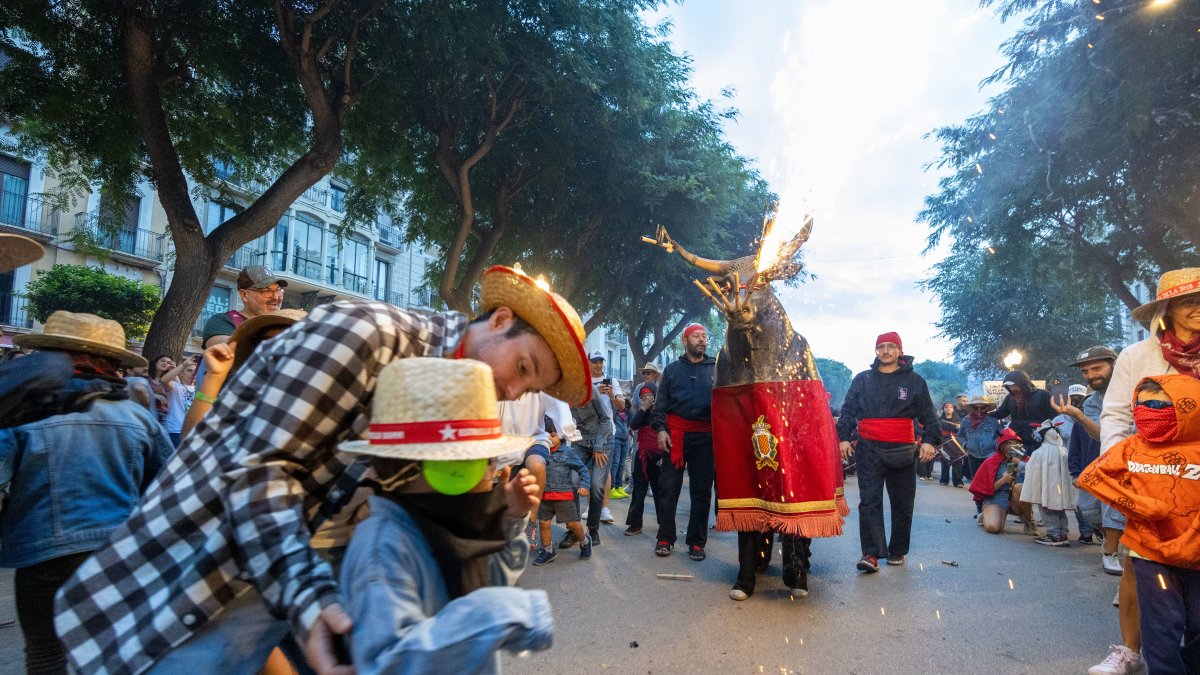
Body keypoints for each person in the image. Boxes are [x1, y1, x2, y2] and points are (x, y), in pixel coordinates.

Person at [54, 264, 591, 675]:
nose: (514, 391)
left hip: (280, 591)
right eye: (522, 367)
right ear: (499, 320)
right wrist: (310, 602)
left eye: (531, 387)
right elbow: (262, 472)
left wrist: (499, 514)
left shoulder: (461, 391)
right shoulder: (371, 335)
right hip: (187, 586)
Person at [335, 357, 553, 673]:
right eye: (485, 461)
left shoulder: (446, 523)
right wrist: (496, 614)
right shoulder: (384, 550)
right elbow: (387, 662)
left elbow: (492, 580)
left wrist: (509, 519)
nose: (495, 472)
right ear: (451, 470)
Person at [4, 312, 173, 673]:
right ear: (112, 365)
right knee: (113, 653)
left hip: (41, 554)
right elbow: (167, 485)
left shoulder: (22, 412)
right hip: (117, 551)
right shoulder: (138, 417)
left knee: (46, 656)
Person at [1089, 267, 1199, 675]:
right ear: (1166, 309)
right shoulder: (1138, 356)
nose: (1198, 309)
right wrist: (1120, 471)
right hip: (1148, 477)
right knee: (1142, 564)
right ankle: (1131, 651)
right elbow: (1116, 415)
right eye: (1188, 301)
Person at [1080, 375, 1200, 675]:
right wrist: (1136, 505)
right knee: (1161, 626)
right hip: (1149, 552)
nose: (1147, 412)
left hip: (1196, 551)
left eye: (1158, 405)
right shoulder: (1132, 446)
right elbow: (1091, 477)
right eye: (1140, 406)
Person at [838, 332, 939, 572]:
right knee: (869, 501)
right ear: (876, 351)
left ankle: (898, 549)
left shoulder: (915, 380)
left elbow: (929, 414)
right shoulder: (862, 379)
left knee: (902, 503)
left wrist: (930, 441)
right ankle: (871, 554)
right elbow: (848, 410)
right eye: (881, 346)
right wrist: (843, 438)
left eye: (891, 346)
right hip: (868, 450)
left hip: (902, 450)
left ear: (899, 351)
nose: (886, 351)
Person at [181, 309, 308, 436]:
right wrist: (213, 377)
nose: (273, 350)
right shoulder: (244, 391)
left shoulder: (312, 400)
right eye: (265, 342)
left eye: (288, 342)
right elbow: (192, 439)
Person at [651, 323, 716, 561]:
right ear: (685, 340)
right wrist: (660, 430)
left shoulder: (716, 369)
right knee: (668, 488)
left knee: (701, 492)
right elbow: (660, 406)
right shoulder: (672, 370)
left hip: (706, 436)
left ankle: (696, 542)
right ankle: (665, 538)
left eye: (704, 336)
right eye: (696, 336)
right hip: (675, 435)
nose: (701, 340)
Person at [1059, 345, 1119, 548]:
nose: (1091, 375)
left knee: (1117, 514)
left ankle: (1112, 553)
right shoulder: (1091, 402)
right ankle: (1111, 543)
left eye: (1097, 368)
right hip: (1095, 465)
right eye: (1085, 371)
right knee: (1089, 510)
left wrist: (1079, 417)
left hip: (1126, 467)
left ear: (1114, 365)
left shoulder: (1134, 393)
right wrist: (1079, 416)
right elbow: (1100, 435)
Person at [532, 416, 592, 566]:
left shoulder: (568, 452)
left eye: (552, 435)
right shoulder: (538, 453)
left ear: (561, 435)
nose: (549, 439)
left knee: (572, 524)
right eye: (545, 435)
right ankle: (548, 551)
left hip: (563, 496)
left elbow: (582, 469)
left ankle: (584, 541)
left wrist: (584, 485)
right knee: (543, 523)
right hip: (544, 496)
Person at [1018, 421, 1077, 546]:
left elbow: (1031, 470)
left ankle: (1054, 535)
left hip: (1047, 489)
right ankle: (1062, 534)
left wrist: (1020, 465)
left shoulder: (1040, 452)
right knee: (1060, 511)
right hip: (1061, 489)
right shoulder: (1064, 451)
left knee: (1048, 511)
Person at [200, 265, 288, 349]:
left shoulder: (288, 324)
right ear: (244, 294)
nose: (276, 297)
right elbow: (223, 348)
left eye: (278, 290)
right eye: (267, 291)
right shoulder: (223, 321)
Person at [567, 383, 611, 548]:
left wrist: (598, 446)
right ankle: (574, 529)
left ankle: (593, 529)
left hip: (603, 441)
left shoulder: (590, 390)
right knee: (572, 481)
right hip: (580, 442)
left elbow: (606, 419)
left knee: (596, 485)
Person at [968, 428, 1036, 535]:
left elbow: (1036, 482)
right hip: (997, 498)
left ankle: (1029, 520)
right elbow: (984, 491)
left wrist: (1021, 465)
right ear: (1002, 446)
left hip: (1017, 499)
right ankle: (987, 514)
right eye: (1008, 443)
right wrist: (1003, 481)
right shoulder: (991, 462)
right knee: (993, 528)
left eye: (1015, 443)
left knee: (1019, 487)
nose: (1012, 446)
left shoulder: (1026, 461)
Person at [587, 351, 625, 524]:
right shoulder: (584, 381)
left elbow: (621, 406)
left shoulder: (612, 381)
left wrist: (611, 395)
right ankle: (591, 507)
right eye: (595, 361)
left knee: (604, 470)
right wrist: (594, 391)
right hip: (586, 432)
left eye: (601, 361)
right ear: (588, 363)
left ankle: (604, 508)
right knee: (589, 471)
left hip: (607, 433)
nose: (598, 365)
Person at [625, 382, 667, 537]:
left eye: (649, 395)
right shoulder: (642, 413)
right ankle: (635, 524)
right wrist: (643, 408)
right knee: (638, 491)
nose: (646, 398)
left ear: (655, 396)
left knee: (659, 491)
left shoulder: (661, 412)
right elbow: (633, 425)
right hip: (642, 456)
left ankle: (664, 524)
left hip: (658, 457)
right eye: (643, 396)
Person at [989, 369, 1055, 454]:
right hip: (1017, 441)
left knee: (1036, 462)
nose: (1012, 388)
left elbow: (1052, 417)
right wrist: (982, 414)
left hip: (1038, 440)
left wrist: (1044, 432)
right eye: (1009, 386)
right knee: (1017, 462)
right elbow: (1000, 413)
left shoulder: (1042, 395)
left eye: (1014, 385)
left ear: (1024, 384)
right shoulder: (1010, 398)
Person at [960, 396, 1000, 519]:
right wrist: (966, 444)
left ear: (987, 408)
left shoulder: (993, 421)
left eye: (982, 408)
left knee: (990, 482)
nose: (979, 411)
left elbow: (1000, 435)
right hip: (973, 455)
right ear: (971, 408)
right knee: (976, 483)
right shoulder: (966, 421)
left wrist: (995, 444)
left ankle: (990, 507)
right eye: (976, 408)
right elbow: (960, 436)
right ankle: (979, 509)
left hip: (990, 455)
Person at [160, 354, 198, 446]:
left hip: (195, 432)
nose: (193, 373)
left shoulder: (200, 388)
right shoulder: (175, 386)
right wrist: (184, 365)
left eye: (195, 371)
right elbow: (164, 380)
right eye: (189, 370)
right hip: (176, 430)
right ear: (181, 373)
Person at [936, 401, 964, 487]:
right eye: (946, 407)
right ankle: (944, 479)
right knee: (945, 459)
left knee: (957, 460)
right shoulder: (939, 420)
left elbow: (963, 432)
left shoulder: (958, 420)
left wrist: (959, 428)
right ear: (943, 409)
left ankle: (958, 481)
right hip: (944, 441)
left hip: (955, 441)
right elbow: (937, 432)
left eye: (950, 407)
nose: (948, 409)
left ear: (953, 409)